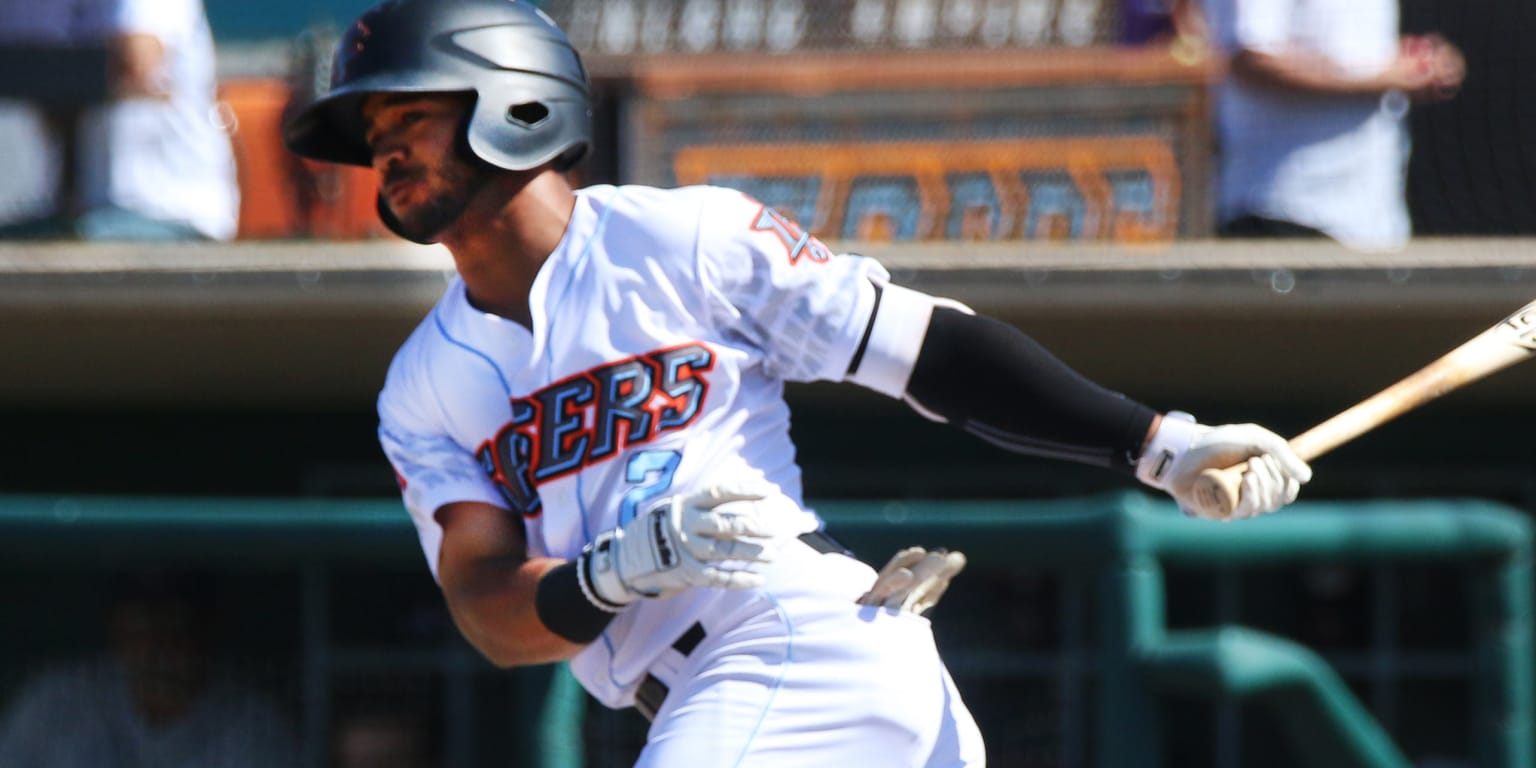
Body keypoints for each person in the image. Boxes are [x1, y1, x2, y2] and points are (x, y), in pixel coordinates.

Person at [282, 1, 1312, 764]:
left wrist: (1163, 445)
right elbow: (487, 613)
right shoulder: (421, 385)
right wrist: (610, 573)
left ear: (509, 100)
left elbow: (931, 352)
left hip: (789, 641)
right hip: (722, 699)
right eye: (371, 138)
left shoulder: (679, 238)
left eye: (404, 117)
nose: (384, 153)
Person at [1198, 0, 1465, 251]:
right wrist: (1386, 78)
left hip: (1372, 226)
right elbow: (1249, 58)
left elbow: (1351, 49)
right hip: (1284, 210)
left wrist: (1421, 64)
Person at [0, 570, 299, 767]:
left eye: (174, 628)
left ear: (205, 634)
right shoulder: (55, 702)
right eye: (140, 629)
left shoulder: (255, 725)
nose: (156, 648)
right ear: (115, 632)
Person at [0, 0, 238, 241]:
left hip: (172, 210)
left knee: (70, 243)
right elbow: (24, 73)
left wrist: (51, 74)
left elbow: (138, 63)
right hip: (80, 209)